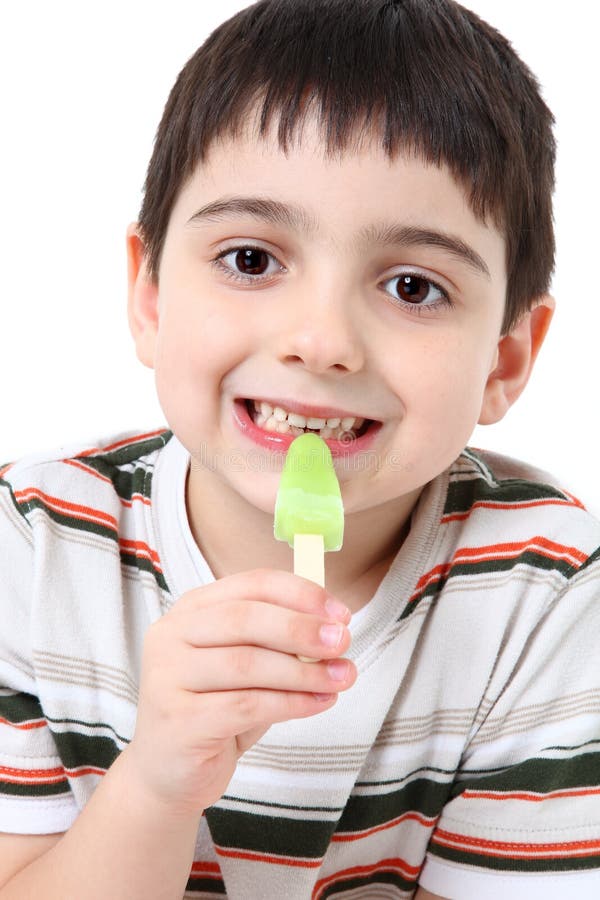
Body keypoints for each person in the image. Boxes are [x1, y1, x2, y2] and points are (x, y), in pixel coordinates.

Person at [0, 0, 599, 896]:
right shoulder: (32, 547)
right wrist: (160, 782)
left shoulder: (544, 594)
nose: (320, 341)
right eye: (251, 259)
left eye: (412, 284)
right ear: (151, 296)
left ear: (504, 361)